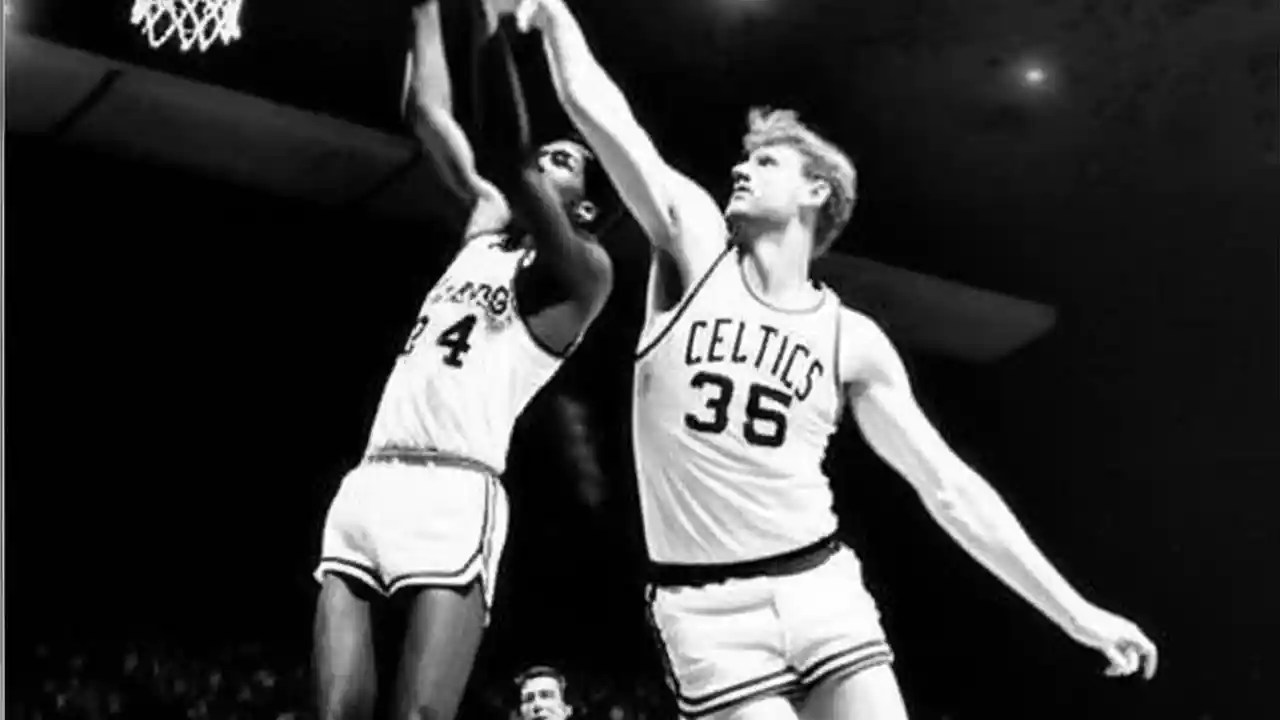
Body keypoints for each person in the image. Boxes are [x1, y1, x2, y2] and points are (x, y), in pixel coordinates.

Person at [502, 1, 1159, 719]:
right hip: (708, 613)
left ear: (815, 191)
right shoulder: (692, 248)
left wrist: (1073, 612)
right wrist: (557, 16)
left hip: (820, 587)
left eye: (764, 162)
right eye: (744, 159)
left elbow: (948, 488)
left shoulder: (853, 338)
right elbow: (604, 115)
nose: (738, 169)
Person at [311, 3, 613, 720]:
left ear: (590, 211)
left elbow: (509, 148)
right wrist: (421, 11)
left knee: (419, 716)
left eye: (565, 161)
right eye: (552, 152)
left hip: (456, 487)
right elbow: (426, 112)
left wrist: (486, 18)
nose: (550, 157)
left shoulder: (585, 275)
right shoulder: (485, 222)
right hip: (372, 477)